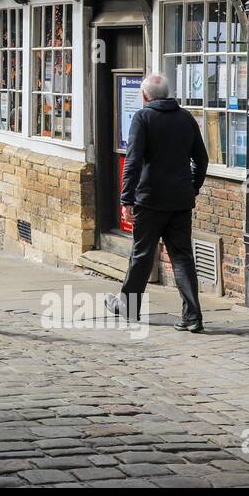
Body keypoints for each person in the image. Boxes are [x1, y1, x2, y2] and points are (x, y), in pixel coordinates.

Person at [107, 73, 210, 333]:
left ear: (144, 96)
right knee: (183, 258)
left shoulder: (143, 118)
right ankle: (193, 316)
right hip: (179, 201)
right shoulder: (186, 118)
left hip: (150, 199)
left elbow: (132, 161)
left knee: (141, 255)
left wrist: (126, 198)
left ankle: (129, 307)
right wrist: (193, 187)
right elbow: (202, 158)